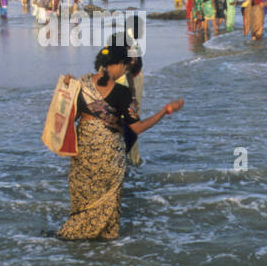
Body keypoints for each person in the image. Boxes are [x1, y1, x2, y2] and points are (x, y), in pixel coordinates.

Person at [56, 43, 183, 240]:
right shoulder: (123, 93)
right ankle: (104, 244)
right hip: (109, 154)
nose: (125, 70)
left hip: (84, 150)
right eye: (124, 66)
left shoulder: (81, 84)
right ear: (116, 65)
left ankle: (73, 238)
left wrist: (67, 87)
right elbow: (137, 127)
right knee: (108, 199)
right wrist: (164, 111)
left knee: (84, 195)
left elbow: (67, 118)